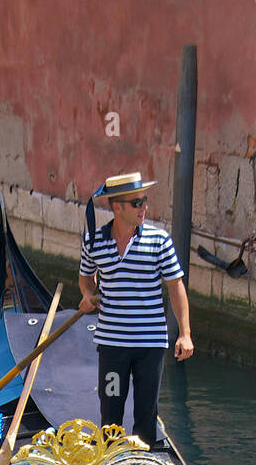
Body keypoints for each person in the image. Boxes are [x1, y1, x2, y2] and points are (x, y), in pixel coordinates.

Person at [78, 172, 193, 448]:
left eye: (144, 202)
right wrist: (88, 295)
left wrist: (185, 334)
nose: (144, 208)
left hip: (149, 345)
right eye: (137, 203)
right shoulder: (94, 241)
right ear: (117, 207)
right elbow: (85, 276)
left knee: (145, 416)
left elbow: (176, 287)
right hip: (111, 345)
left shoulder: (159, 241)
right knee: (111, 416)